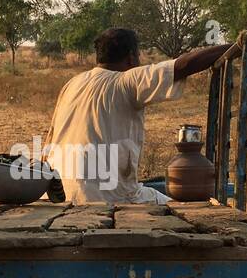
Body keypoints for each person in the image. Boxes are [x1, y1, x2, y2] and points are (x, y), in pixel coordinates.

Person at [44, 27, 229, 204]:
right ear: (131, 57)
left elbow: (50, 140)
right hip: (106, 197)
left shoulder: (72, 84)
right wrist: (239, 45)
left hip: (57, 194)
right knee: (180, 204)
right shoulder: (126, 80)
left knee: (156, 185)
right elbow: (184, 64)